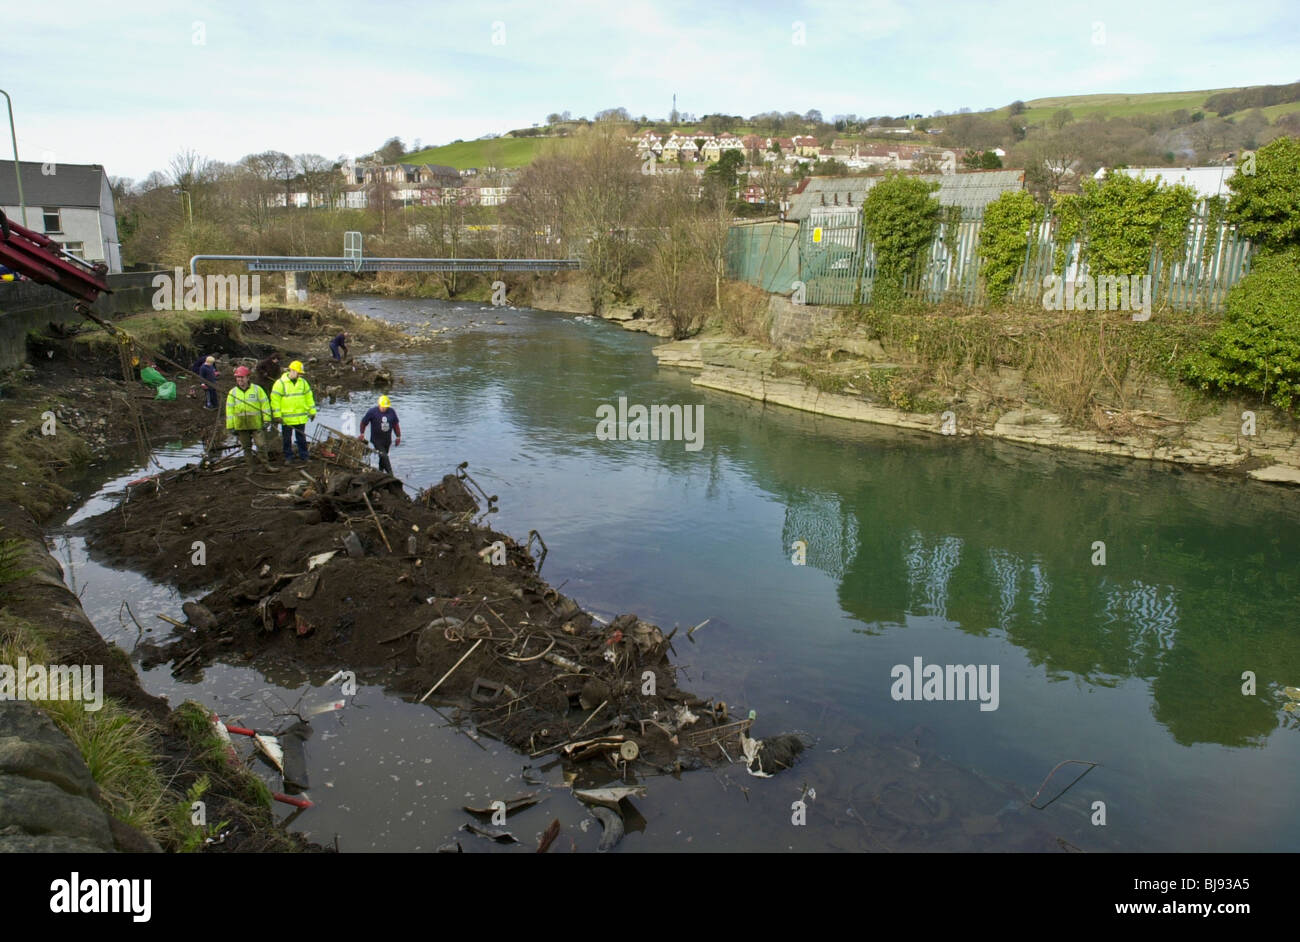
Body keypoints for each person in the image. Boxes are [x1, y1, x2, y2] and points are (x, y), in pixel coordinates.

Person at [225, 366, 273, 469]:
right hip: (241, 425)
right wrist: (230, 426)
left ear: (248, 377)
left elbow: (265, 405)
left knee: (261, 445)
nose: (240, 380)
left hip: (256, 424)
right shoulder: (232, 393)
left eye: (242, 377)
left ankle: (266, 465)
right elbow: (229, 411)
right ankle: (251, 468)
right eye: (238, 377)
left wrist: (267, 420)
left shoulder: (257, 390)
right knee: (246, 448)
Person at [271, 360, 317, 463]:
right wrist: (277, 415)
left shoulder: (303, 383)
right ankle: (288, 457)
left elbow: (309, 397)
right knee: (287, 439)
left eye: (300, 373)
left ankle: (304, 456)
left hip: (300, 417)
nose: (299, 375)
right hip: (286, 418)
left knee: (301, 438)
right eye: (298, 373)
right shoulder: (280, 383)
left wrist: (312, 411)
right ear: (292, 371)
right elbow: (275, 401)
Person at [358, 394, 402, 474]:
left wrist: (398, 436)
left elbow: (396, 425)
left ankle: (380, 472)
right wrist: (362, 433)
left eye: (386, 407)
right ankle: (390, 474)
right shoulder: (372, 412)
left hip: (387, 440)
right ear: (379, 404)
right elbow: (363, 423)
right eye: (382, 406)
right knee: (384, 456)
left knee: (383, 458)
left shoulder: (391, 412)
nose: (384, 408)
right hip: (376, 440)